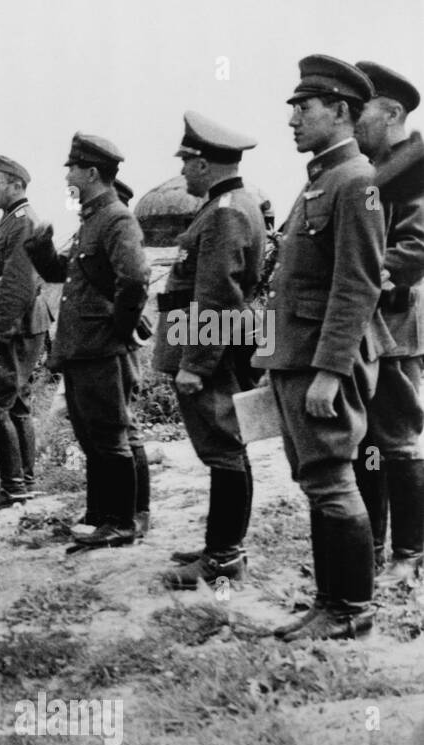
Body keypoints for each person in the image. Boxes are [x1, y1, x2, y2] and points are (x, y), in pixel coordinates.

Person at [265, 55, 392, 642]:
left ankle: (353, 611)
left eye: (303, 108)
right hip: (296, 356)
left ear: (340, 111)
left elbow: (357, 285)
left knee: (334, 483)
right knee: (318, 483)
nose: (292, 118)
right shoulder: (321, 177)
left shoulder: (355, 181)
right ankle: (329, 603)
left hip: (323, 363)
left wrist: (328, 372)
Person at [153, 112, 267, 590]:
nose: (182, 173)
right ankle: (221, 546)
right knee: (225, 451)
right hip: (215, 340)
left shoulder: (224, 212)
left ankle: (223, 557)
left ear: (204, 164)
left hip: (210, 348)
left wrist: (196, 365)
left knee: (223, 451)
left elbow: (217, 295)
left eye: (187, 163)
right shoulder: (229, 204)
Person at [23, 134, 151, 550]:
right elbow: (68, 273)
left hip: (100, 347)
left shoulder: (116, 219)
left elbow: (133, 280)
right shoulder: (92, 218)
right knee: (94, 433)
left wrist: (118, 330)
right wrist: (40, 247)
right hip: (83, 347)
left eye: (72, 168)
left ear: (92, 173)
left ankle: (122, 521)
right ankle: (102, 514)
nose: (67, 176)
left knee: (112, 434)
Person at [352, 61, 424, 584]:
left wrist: (364, 278)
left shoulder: (412, 167)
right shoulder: (372, 171)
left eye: (362, 109)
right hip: (362, 327)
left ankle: (411, 554)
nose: (352, 119)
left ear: (393, 111)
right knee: (366, 443)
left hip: (394, 324)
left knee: (396, 442)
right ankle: (372, 545)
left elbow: (416, 246)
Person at [0, 154, 51, 510]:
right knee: (17, 404)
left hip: (15, 329)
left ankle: (13, 487)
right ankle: (24, 483)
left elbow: (16, 288)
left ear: (17, 185)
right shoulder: (13, 220)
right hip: (20, 326)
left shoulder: (22, 223)